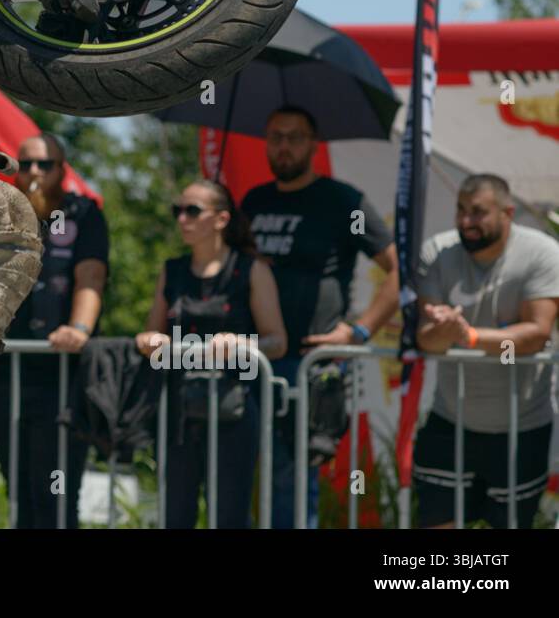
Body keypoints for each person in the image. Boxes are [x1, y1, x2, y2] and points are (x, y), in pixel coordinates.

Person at [239, 105, 399, 528]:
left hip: (309, 366)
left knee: (292, 484)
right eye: (275, 136)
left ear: (313, 145)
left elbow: (403, 272)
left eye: (294, 137)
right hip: (251, 359)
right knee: (239, 475)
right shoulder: (254, 201)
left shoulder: (344, 201)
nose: (284, 146)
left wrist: (359, 329)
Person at [136, 179, 285, 528]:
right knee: (176, 514)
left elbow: (278, 342)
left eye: (192, 211)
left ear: (221, 219)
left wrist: (243, 344)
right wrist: (148, 341)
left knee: (230, 515)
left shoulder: (251, 269)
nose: (182, 219)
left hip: (234, 408)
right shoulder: (172, 270)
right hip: (178, 410)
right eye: (178, 210)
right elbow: (150, 332)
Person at [413, 174, 559, 528]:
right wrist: (443, 330)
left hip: (523, 427)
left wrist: (470, 336)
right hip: (451, 421)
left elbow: (537, 334)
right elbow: (426, 339)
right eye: (460, 211)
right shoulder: (437, 251)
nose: (466, 222)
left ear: (508, 213)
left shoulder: (542, 253)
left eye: (478, 213)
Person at [0, 133, 108, 528]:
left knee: (55, 493)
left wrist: (79, 328)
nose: (34, 172)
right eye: (27, 163)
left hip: (61, 375)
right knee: (20, 494)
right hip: (5, 373)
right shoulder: (1, 209)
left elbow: (91, 278)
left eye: (45, 165)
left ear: (61, 170)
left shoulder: (83, 213)